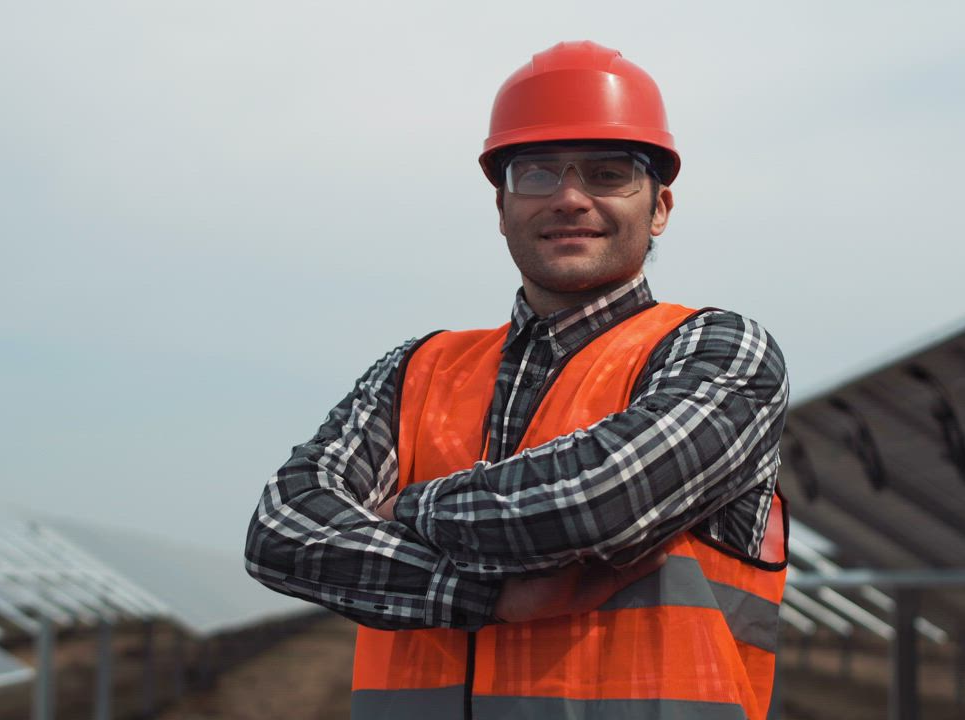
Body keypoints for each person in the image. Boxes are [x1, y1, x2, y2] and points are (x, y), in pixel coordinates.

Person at [245, 40, 790, 720]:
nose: (569, 198)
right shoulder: (414, 369)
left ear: (659, 207)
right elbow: (281, 532)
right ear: (501, 207)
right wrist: (487, 595)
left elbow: (597, 499)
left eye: (608, 173)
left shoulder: (722, 350)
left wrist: (403, 511)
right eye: (536, 174)